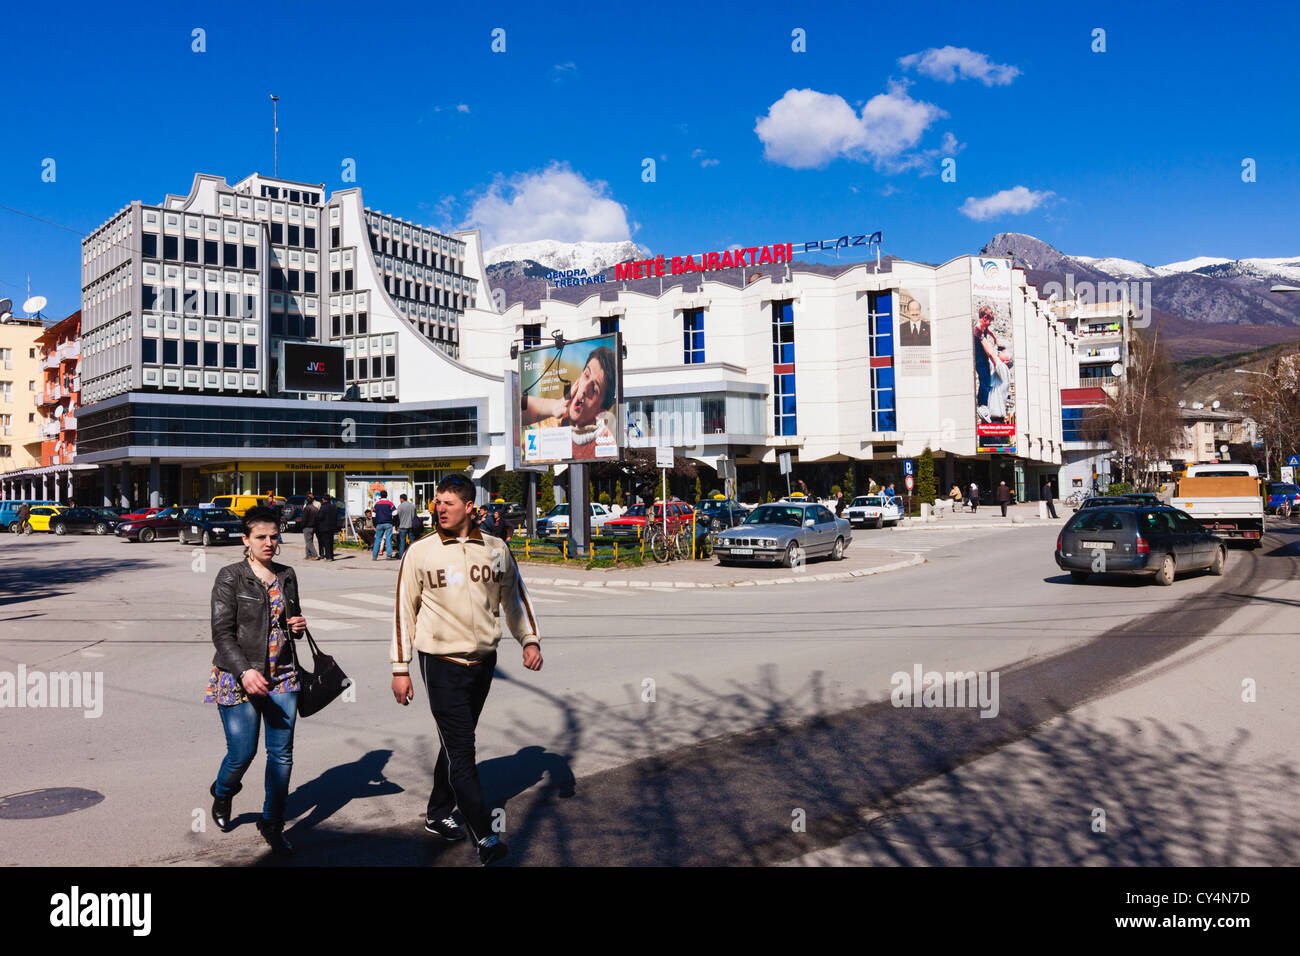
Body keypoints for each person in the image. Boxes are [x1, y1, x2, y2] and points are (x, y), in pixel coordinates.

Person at [390, 474, 542, 866]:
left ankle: (438, 813)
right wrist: (400, 667)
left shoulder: (496, 549)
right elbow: (403, 613)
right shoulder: (420, 552)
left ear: (470, 507)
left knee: (455, 740)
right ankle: (485, 838)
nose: (439, 508)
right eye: (437, 502)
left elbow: (514, 599)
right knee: (463, 752)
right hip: (440, 663)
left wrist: (529, 640)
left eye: (448, 503)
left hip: (483, 663)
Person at [205, 506, 307, 856]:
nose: (268, 542)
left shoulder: (287, 574)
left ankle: (272, 822)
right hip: (238, 676)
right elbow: (222, 632)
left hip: (282, 676)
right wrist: (245, 671)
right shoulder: (230, 576)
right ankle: (222, 792)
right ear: (245, 539)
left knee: (281, 755)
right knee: (242, 752)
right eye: (261, 536)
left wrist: (296, 625)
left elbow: (287, 619)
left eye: (274, 536)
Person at [521, 346, 618, 461]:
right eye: (586, 375)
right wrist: (554, 407)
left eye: (594, 389)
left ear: (602, 410)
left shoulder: (606, 445)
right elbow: (514, 413)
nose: (584, 389)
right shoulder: (547, 420)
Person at [372, 489, 396, 561]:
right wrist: (393, 522)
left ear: (380, 496)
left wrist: (375, 524)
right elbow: (395, 513)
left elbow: (373, 515)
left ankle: (374, 556)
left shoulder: (376, 504)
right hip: (388, 523)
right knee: (388, 539)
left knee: (378, 540)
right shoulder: (390, 503)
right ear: (387, 495)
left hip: (379, 524)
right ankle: (389, 555)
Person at [315, 496, 337, 561]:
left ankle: (328, 557)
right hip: (332, 527)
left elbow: (320, 517)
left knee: (326, 543)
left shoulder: (323, 507)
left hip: (324, 527)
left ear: (324, 500)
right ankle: (332, 556)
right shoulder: (333, 507)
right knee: (331, 542)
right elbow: (336, 516)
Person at [395, 493, 417, 559]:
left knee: (402, 541)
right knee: (412, 541)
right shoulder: (412, 506)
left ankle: (401, 555)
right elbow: (414, 516)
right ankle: (412, 555)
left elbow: (397, 516)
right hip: (410, 526)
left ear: (401, 499)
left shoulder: (400, 506)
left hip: (402, 526)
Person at [301, 494, 319, 560]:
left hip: (307, 527)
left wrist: (302, 526)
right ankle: (308, 555)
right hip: (314, 527)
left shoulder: (307, 508)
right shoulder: (315, 508)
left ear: (306, 501)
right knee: (309, 541)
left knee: (309, 542)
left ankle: (315, 555)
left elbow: (304, 519)